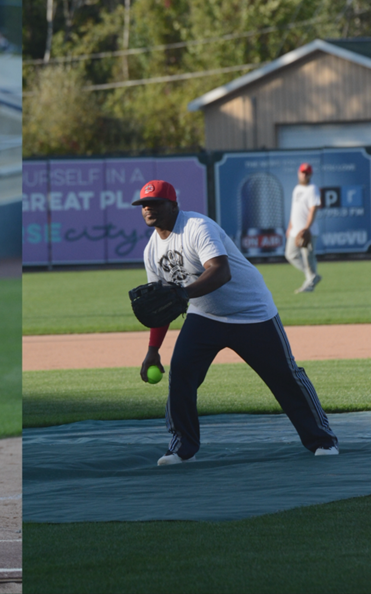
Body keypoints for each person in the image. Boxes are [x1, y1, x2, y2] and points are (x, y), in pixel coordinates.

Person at [132, 179, 337, 466]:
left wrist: (183, 292)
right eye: (143, 205)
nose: (148, 209)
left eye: (155, 203)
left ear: (174, 205)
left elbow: (220, 272)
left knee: (285, 376)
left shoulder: (196, 227)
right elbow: (159, 307)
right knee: (181, 374)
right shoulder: (152, 251)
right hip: (205, 316)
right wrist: (153, 350)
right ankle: (182, 447)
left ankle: (322, 440)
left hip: (251, 312)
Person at [286, 163, 322, 293]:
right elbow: (294, 210)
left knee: (308, 258)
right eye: (302, 172)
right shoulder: (296, 189)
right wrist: (290, 226)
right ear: (298, 173)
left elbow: (313, 209)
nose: (304, 174)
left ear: (310, 174)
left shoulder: (312, 189)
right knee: (290, 255)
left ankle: (309, 284)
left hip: (307, 231)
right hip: (295, 231)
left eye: (307, 172)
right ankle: (312, 276)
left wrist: (307, 228)